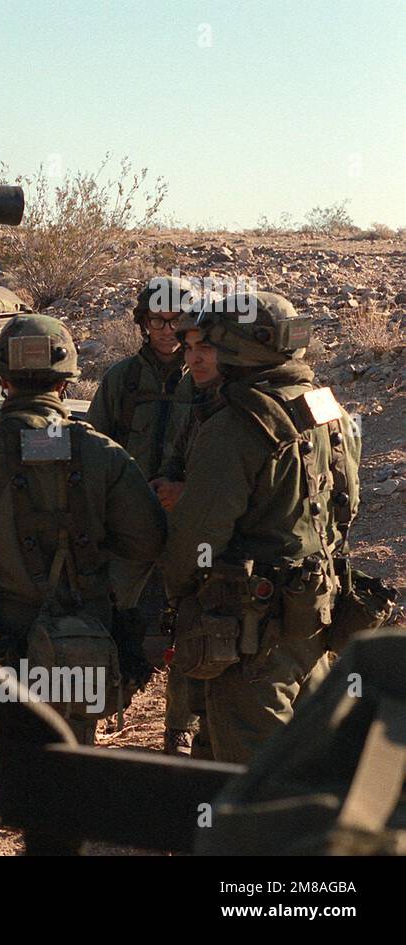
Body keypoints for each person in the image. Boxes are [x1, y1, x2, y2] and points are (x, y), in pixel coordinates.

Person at [0, 314, 166, 743]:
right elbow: (148, 540)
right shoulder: (103, 454)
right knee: (69, 753)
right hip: (79, 638)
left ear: (0, 380)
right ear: (65, 383)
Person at [161, 291, 360, 765]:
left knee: (253, 774)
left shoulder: (237, 425)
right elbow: (346, 507)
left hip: (250, 633)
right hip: (313, 616)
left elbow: (196, 539)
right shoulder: (326, 408)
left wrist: (179, 593)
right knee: (300, 756)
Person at [86, 276, 197, 750]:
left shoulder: (208, 381)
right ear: (143, 322)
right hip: (129, 523)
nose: (168, 330)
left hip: (189, 522)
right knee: (118, 619)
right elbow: (93, 448)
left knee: (191, 626)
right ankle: (101, 712)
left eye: (177, 321)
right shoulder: (121, 379)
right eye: (159, 319)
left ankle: (180, 730)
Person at [148, 313, 223, 756]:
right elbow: (178, 448)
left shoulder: (243, 411)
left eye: (205, 349)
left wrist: (186, 495)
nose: (193, 359)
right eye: (189, 349)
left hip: (229, 555)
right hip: (180, 524)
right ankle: (181, 725)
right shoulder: (196, 395)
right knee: (188, 632)